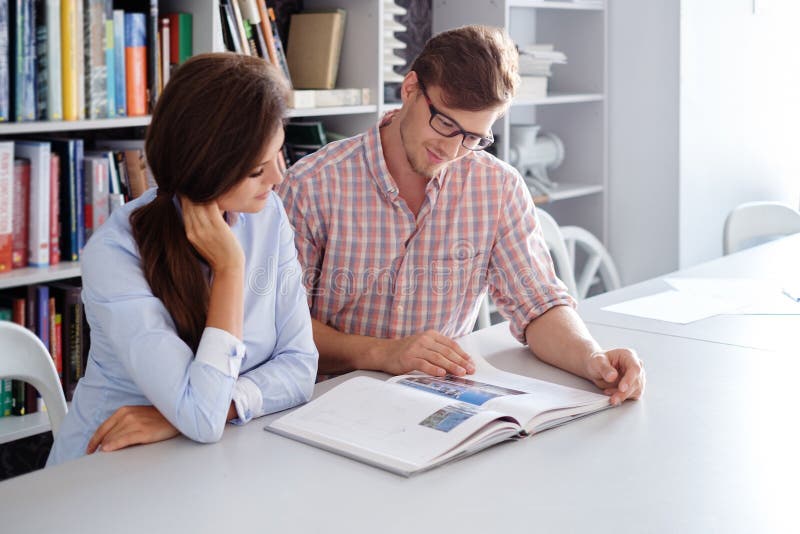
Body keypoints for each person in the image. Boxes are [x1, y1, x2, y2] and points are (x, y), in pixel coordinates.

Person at [276, 25, 644, 404]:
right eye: (446, 124)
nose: (452, 149)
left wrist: (593, 358)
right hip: (328, 401)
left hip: (436, 401)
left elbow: (539, 306)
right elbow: (282, 326)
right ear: (410, 90)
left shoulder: (497, 188)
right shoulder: (312, 185)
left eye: (473, 138)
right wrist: (381, 353)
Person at [47, 54, 318, 466]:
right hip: (107, 469)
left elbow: (300, 366)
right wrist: (229, 268)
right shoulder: (114, 254)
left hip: (211, 460)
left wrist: (185, 414)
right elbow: (201, 418)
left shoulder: (268, 215)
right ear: (206, 170)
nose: (279, 179)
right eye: (257, 170)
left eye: (280, 155)